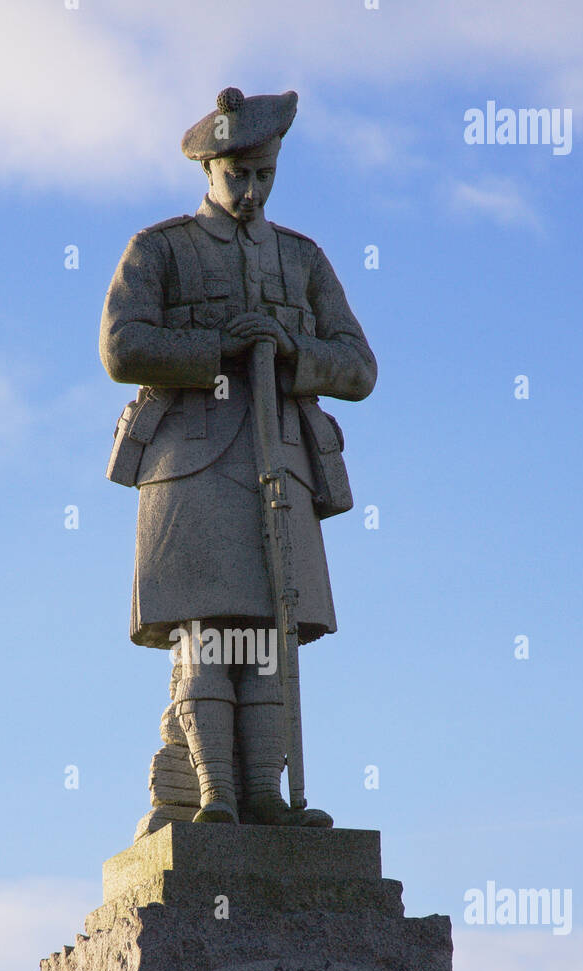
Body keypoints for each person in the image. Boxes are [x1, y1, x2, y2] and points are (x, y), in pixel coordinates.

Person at [100, 88, 377, 827]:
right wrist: (218, 346)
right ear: (210, 167)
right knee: (203, 632)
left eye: (265, 176)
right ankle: (211, 792)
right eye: (239, 176)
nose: (252, 191)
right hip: (189, 465)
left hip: (278, 463)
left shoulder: (302, 258)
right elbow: (121, 348)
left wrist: (295, 352)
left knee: (266, 634)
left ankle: (263, 795)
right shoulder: (159, 249)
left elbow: (359, 367)